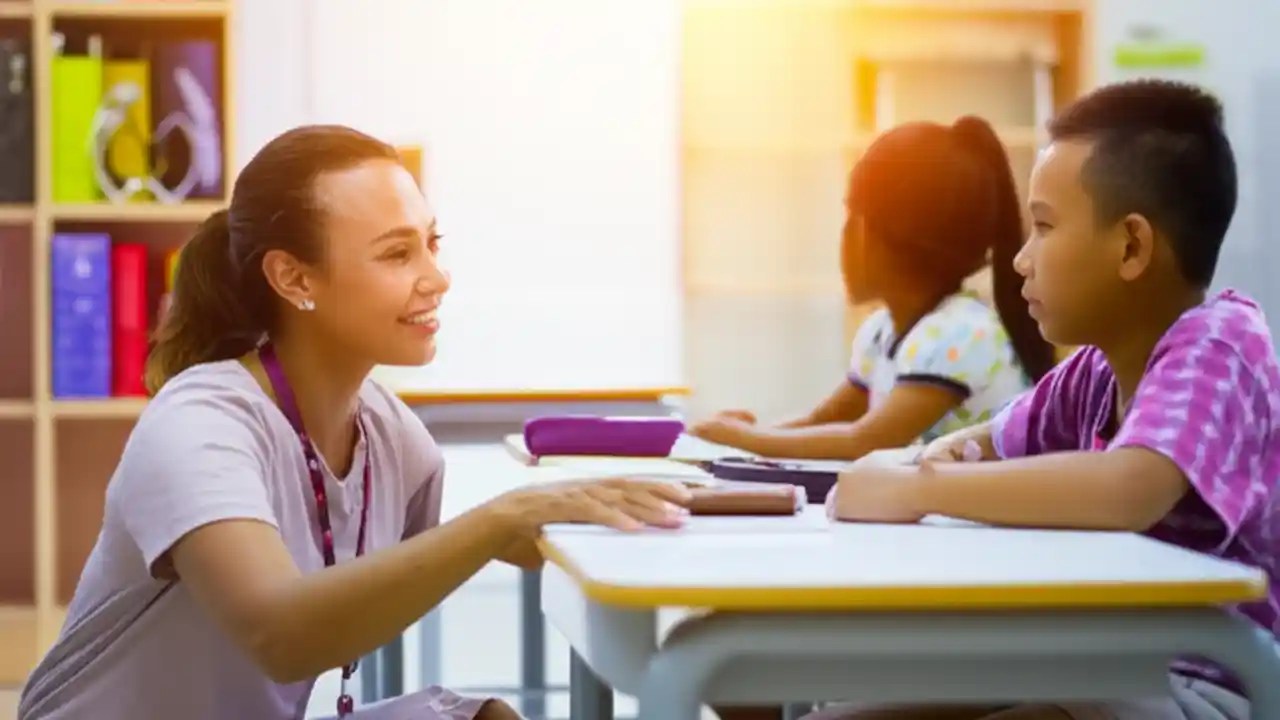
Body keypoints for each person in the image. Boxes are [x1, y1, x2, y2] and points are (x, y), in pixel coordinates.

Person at [17, 125, 691, 720]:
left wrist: (598, 517)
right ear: (294, 279)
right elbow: (279, 636)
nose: (437, 278)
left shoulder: (397, 441)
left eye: (431, 245)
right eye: (398, 255)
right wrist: (496, 522)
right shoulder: (200, 424)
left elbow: (403, 580)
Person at [824, 79, 1276, 719]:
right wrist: (917, 467)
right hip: (1094, 667)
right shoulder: (1092, 371)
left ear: (1131, 246)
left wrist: (918, 487)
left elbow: (1128, 487)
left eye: (1043, 227)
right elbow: (981, 447)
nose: (1020, 261)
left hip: (1211, 688)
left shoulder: (1221, 344)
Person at [689, 116, 1055, 461]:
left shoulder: (960, 334)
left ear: (885, 234)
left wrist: (745, 439)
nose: (843, 234)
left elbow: (866, 439)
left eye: (853, 216)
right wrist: (739, 437)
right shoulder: (883, 333)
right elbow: (825, 422)